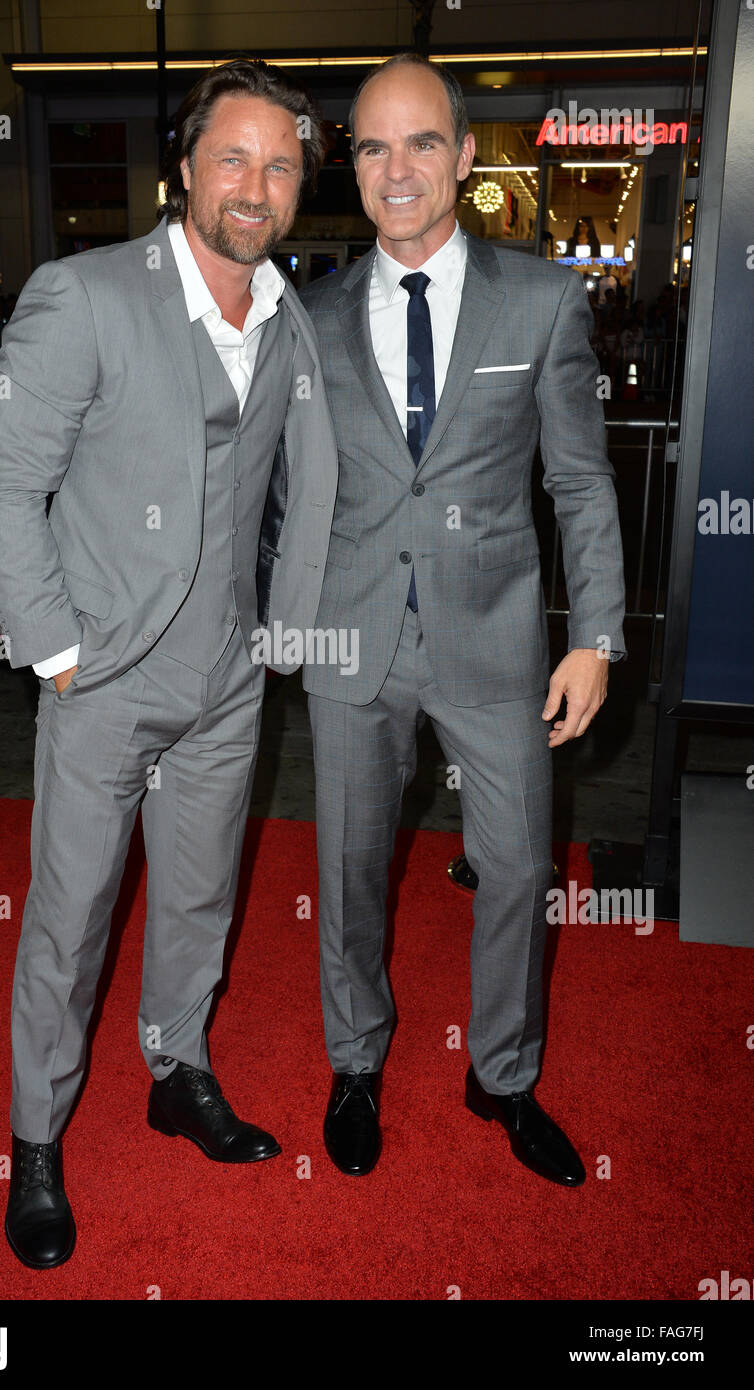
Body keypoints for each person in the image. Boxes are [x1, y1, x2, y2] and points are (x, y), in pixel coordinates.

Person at [0, 57, 336, 1268]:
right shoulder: (83, 297)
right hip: (106, 677)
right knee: (69, 922)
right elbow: (4, 489)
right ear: (183, 169)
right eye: (233, 157)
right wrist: (60, 652)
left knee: (198, 900)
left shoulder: (288, 313)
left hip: (230, 681)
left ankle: (176, 1071)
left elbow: (291, 487)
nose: (256, 183)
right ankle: (33, 1138)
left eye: (280, 164)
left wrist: (277, 634)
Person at [300, 53, 625, 1186]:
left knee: (518, 867)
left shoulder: (540, 299)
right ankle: (355, 1061)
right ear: (352, 161)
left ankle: (503, 1074)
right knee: (346, 874)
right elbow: (284, 488)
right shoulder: (315, 308)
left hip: (494, 644)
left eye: (422, 141)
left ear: (465, 156)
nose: (399, 168)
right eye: (374, 145)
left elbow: (580, 481)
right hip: (349, 644)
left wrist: (595, 636)